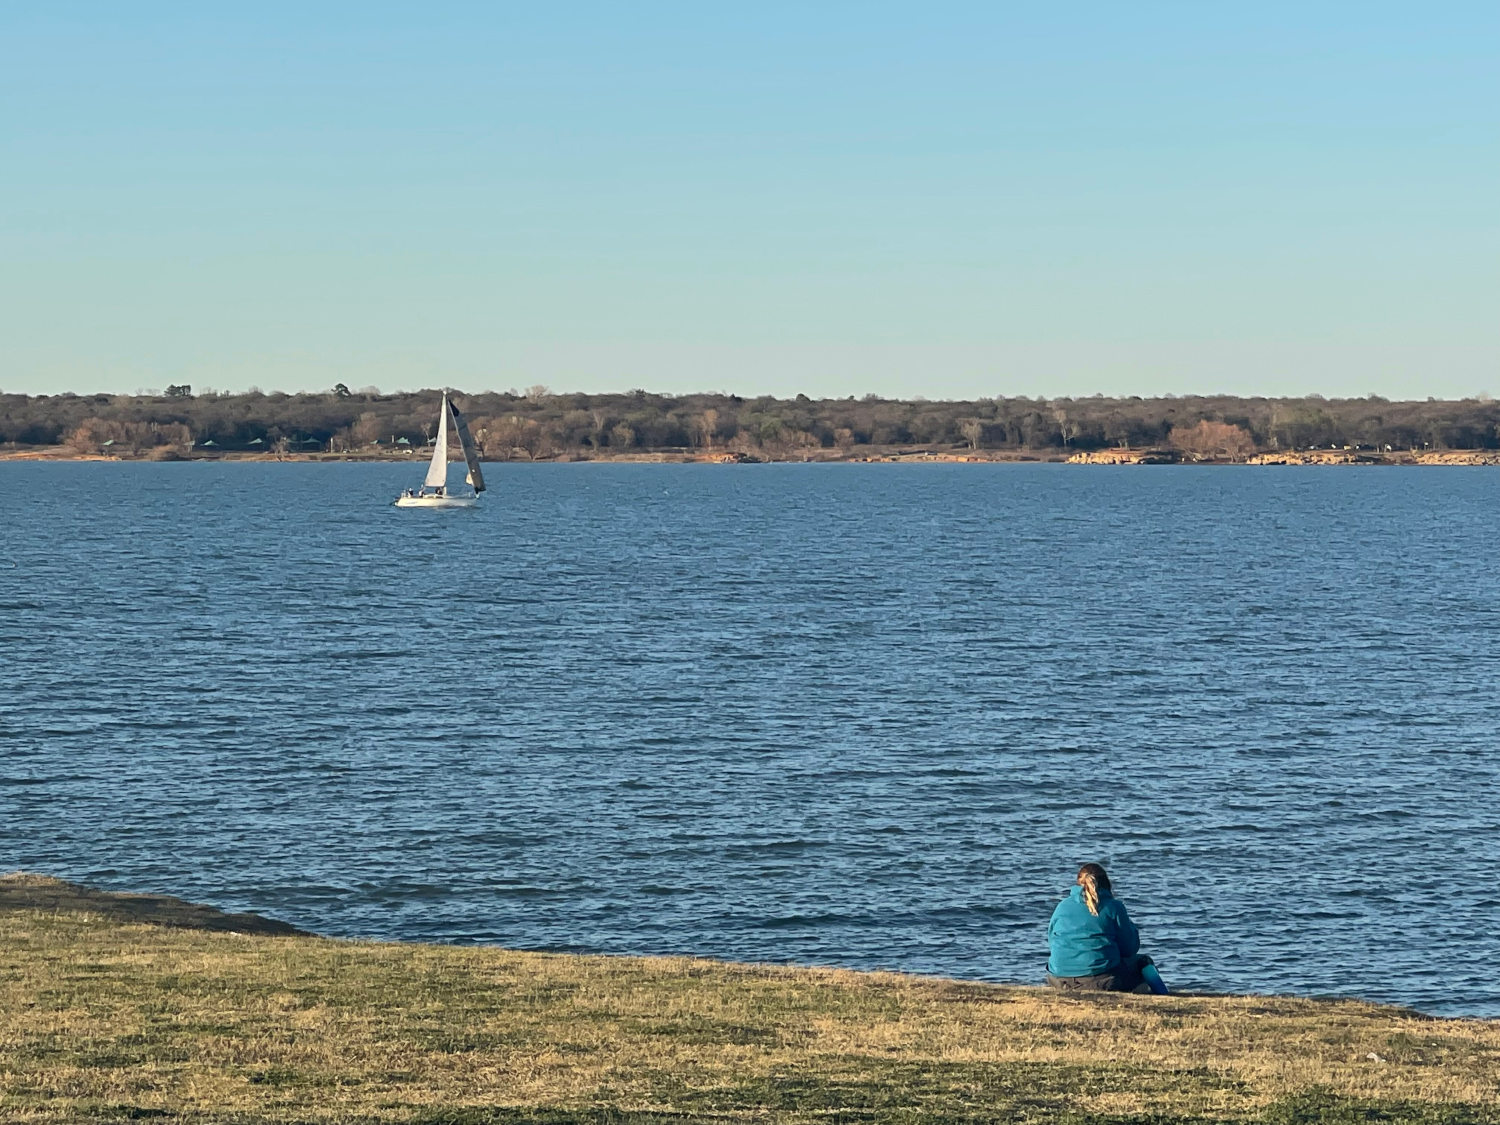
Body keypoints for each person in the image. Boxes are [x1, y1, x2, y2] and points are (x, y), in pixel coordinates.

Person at [1046, 862, 1161, 993]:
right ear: (1106, 883)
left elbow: (1052, 940)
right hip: (1100, 980)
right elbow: (1130, 949)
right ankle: (1163, 995)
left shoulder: (1062, 906)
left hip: (1059, 978)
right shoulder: (1113, 907)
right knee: (1144, 962)